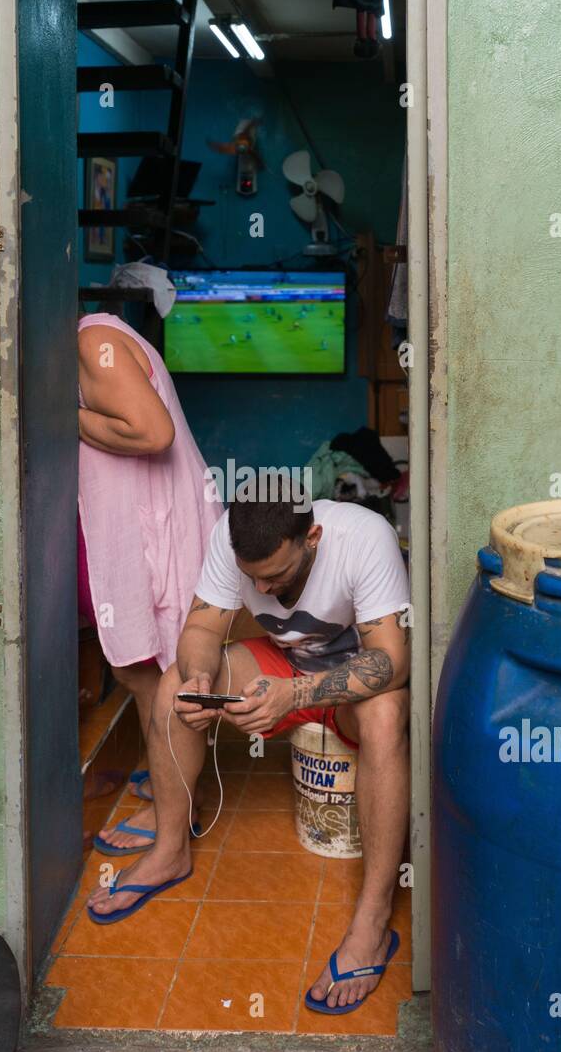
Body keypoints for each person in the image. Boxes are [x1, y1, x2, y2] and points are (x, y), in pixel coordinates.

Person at [88, 484, 410, 1013]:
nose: (260, 586)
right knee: (173, 686)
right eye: (251, 576)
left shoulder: (363, 537)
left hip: (352, 686)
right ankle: (170, 852)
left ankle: (372, 923)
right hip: (284, 670)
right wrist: (197, 676)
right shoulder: (229, 538)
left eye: (276, 577)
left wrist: (298, 694)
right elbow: (201, 627)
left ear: (313, 537)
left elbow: (391, 662)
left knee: (386, 713)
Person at [77, 310, 222, 841]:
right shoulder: (101, 336)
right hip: (157, 518)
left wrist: (66, 416)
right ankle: (181, 787)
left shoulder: (94, 342)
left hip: (156, 525)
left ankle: (174, 807)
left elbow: (152, 432)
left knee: (153, 672)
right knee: (151, 667)